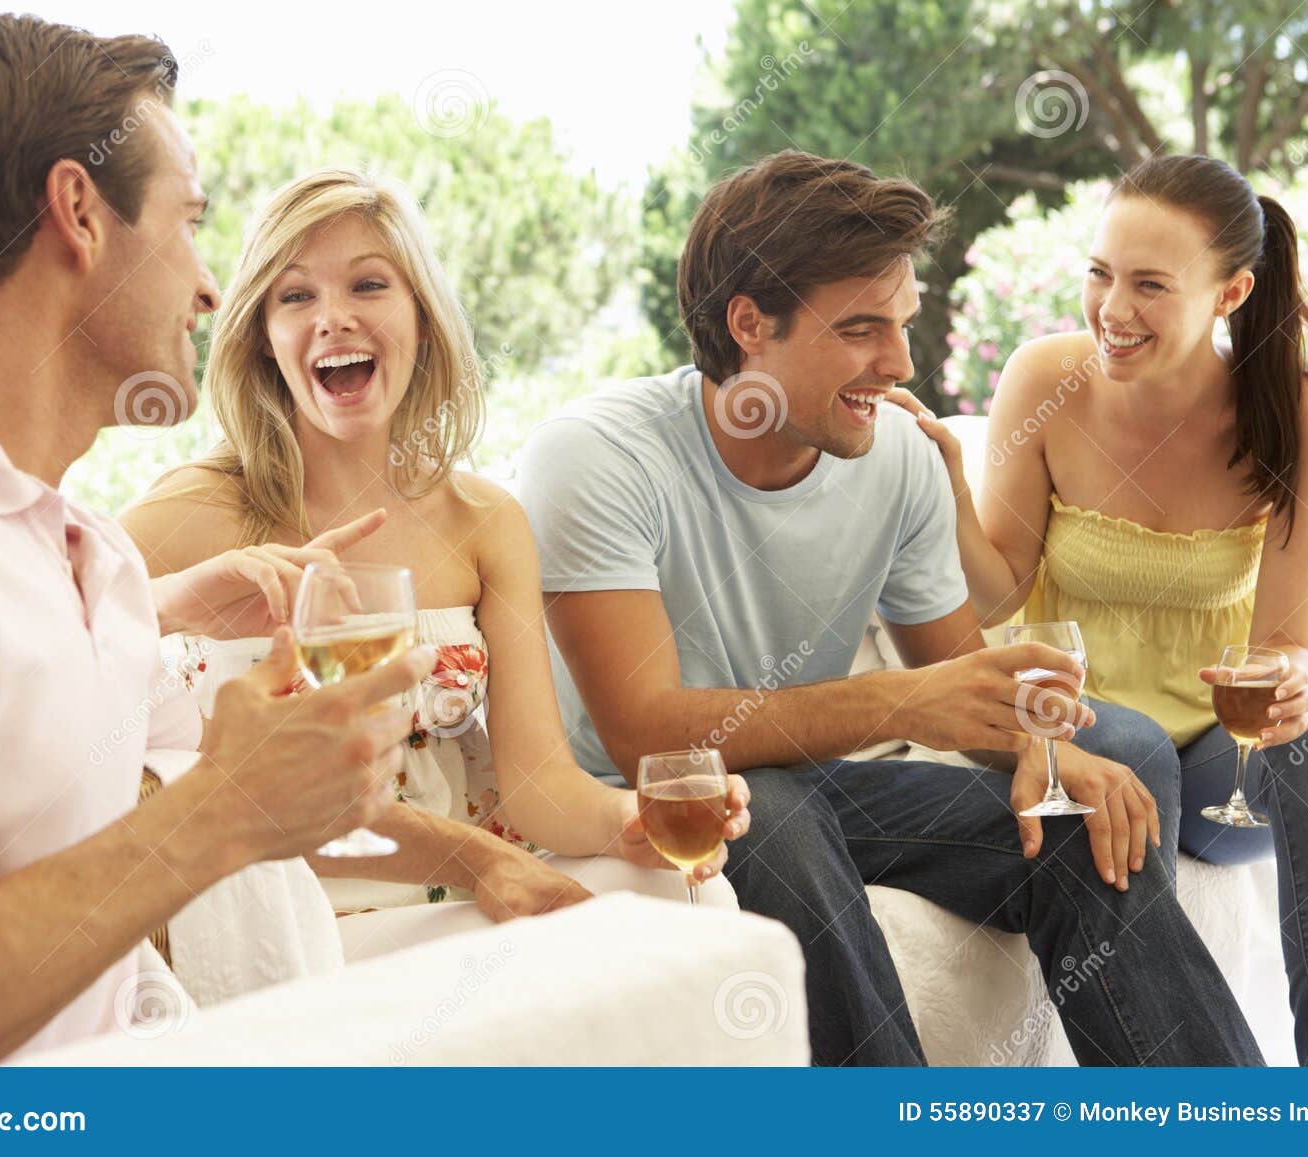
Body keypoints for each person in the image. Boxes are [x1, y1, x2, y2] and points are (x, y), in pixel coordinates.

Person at [518, 149, 1267, 1066]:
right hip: (646, 810)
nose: (901, 362)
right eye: (862, 329)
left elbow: (962, 675)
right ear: (749, 324)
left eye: (904, 324)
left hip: (817, 786)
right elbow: (645, 734)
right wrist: (900, 703)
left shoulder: (896, 455)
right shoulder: (597, 458)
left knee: (1080, 824)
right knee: (777, 811)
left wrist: (1049, 753)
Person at [0, 15, 444, 1065]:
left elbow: (209, 775)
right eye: (188, 222)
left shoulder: (91, 553)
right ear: (78, 213)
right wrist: (222, 813)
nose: (209, 287)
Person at [119, 165, 750, 925]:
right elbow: (51, 634)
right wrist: (165, 604)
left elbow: (539, 783)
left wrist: (631, 821)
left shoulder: (484, 519)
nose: (334, 318)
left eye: (369, 285)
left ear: (421, 317)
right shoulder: (191, 513)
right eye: (296, 296)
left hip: (473, 892)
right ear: (262, 338)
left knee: (692, 893)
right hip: (296, 908)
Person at [890, 153, 1308, 1065]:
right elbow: (1001, 589)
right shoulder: (1046, 379)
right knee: (1128, 745)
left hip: (1213, 759)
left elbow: (1287, 643)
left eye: (1151, 285)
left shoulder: (1306, 417)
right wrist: (951, 493)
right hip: (1072, 724)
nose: (1112, 309)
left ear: (1231, 292)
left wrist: (1287, 683)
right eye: (1100, 273)